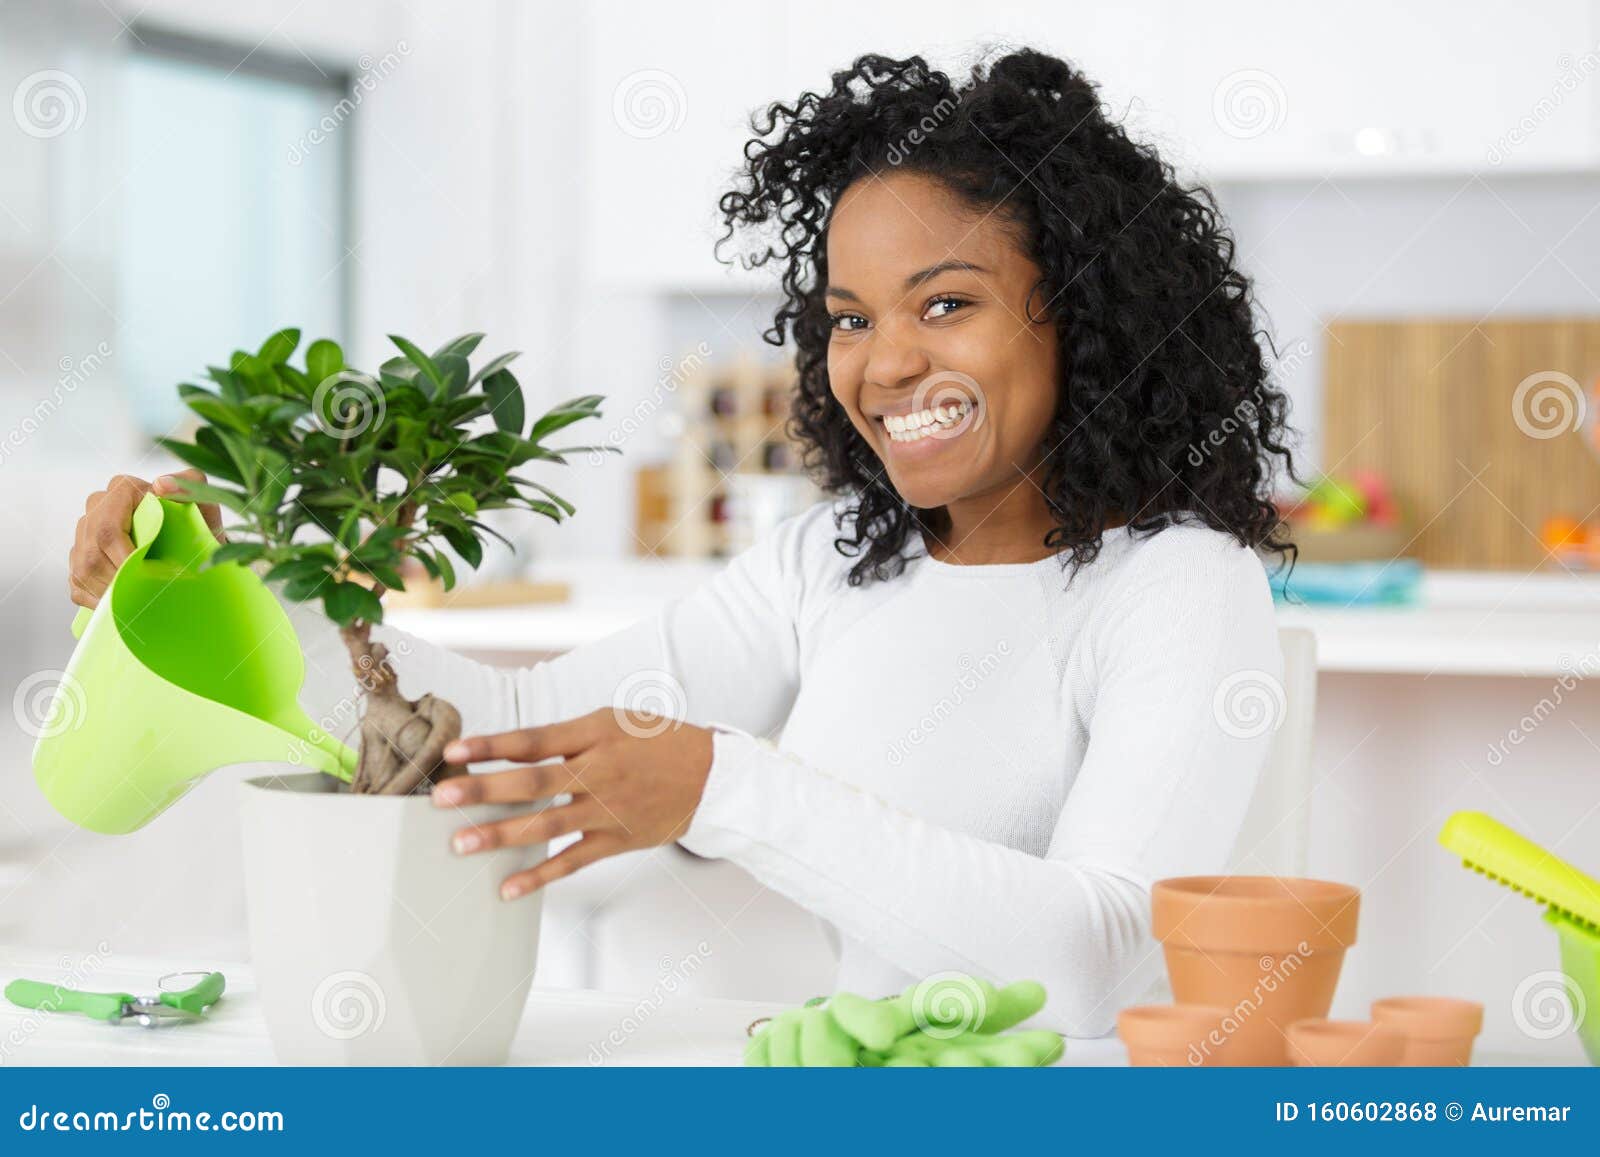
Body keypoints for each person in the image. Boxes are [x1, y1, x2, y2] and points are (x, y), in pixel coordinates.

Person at [68, 49, 1295, 1037]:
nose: (888, 359)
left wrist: (724, 786)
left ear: (1077, 315)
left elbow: (1091, 968)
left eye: (946, 303)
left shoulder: (1180, 583)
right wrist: (244, 573)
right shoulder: (835, 561)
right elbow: (515, 723)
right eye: (850, 318)